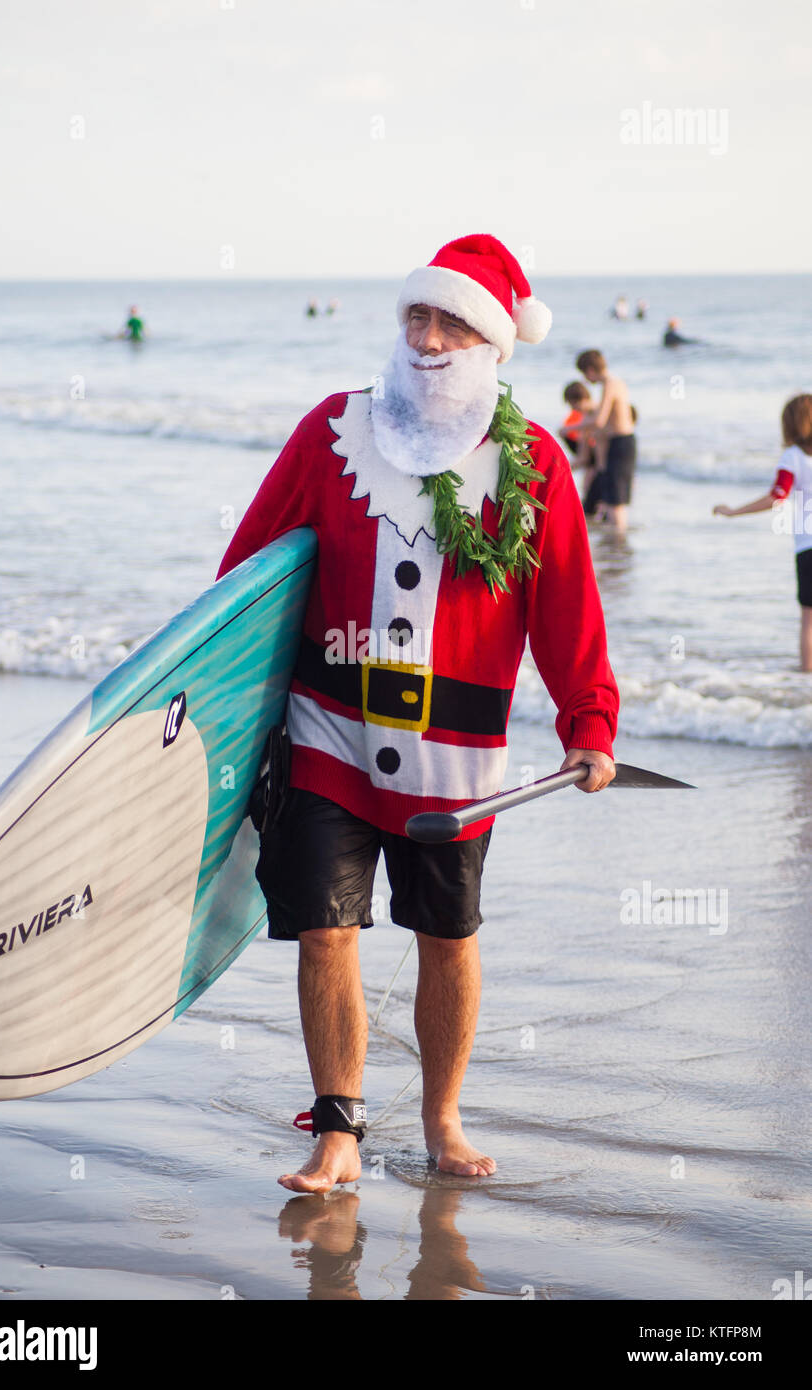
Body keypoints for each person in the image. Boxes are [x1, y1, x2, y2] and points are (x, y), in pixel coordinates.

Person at [217, 234, 619, 1193]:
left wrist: (589, 723)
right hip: (327, 733)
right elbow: (243, 573)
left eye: (452, 322)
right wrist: (212, 710)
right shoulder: (330, 433)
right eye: (417, 316)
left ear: (490, 346)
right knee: (326, 930)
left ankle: (442, 1116)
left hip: (457, 765)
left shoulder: (537, 471)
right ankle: (339, 1130)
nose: (429, 338)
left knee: (448, 938)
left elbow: (568, 607)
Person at [713, 395, 812, 670]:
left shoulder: (793, 457)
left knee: (809, 620)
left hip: (807, 546)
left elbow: (777, 497)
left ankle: (805, 682)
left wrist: (734, 511)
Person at [574, 349, 636, 534]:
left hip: (621, 442)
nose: (586, 379)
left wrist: (569, 429)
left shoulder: (610, 384)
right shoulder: (615, 383)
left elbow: (600, 420)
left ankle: (619, 547)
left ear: (590, 370)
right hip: (619, 443)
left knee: (616, 501)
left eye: (584, 374)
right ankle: (615, 549)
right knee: (611, 498)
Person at [558, 381, 605, 517]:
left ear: (581, 399)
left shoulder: (600, 413)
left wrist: (569, 429)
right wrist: (560, 471)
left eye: (573, 405)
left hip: (606, 468)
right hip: (595, 468)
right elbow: (583, 457)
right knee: (588, 509)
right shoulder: (585, 419)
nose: (573, 410)